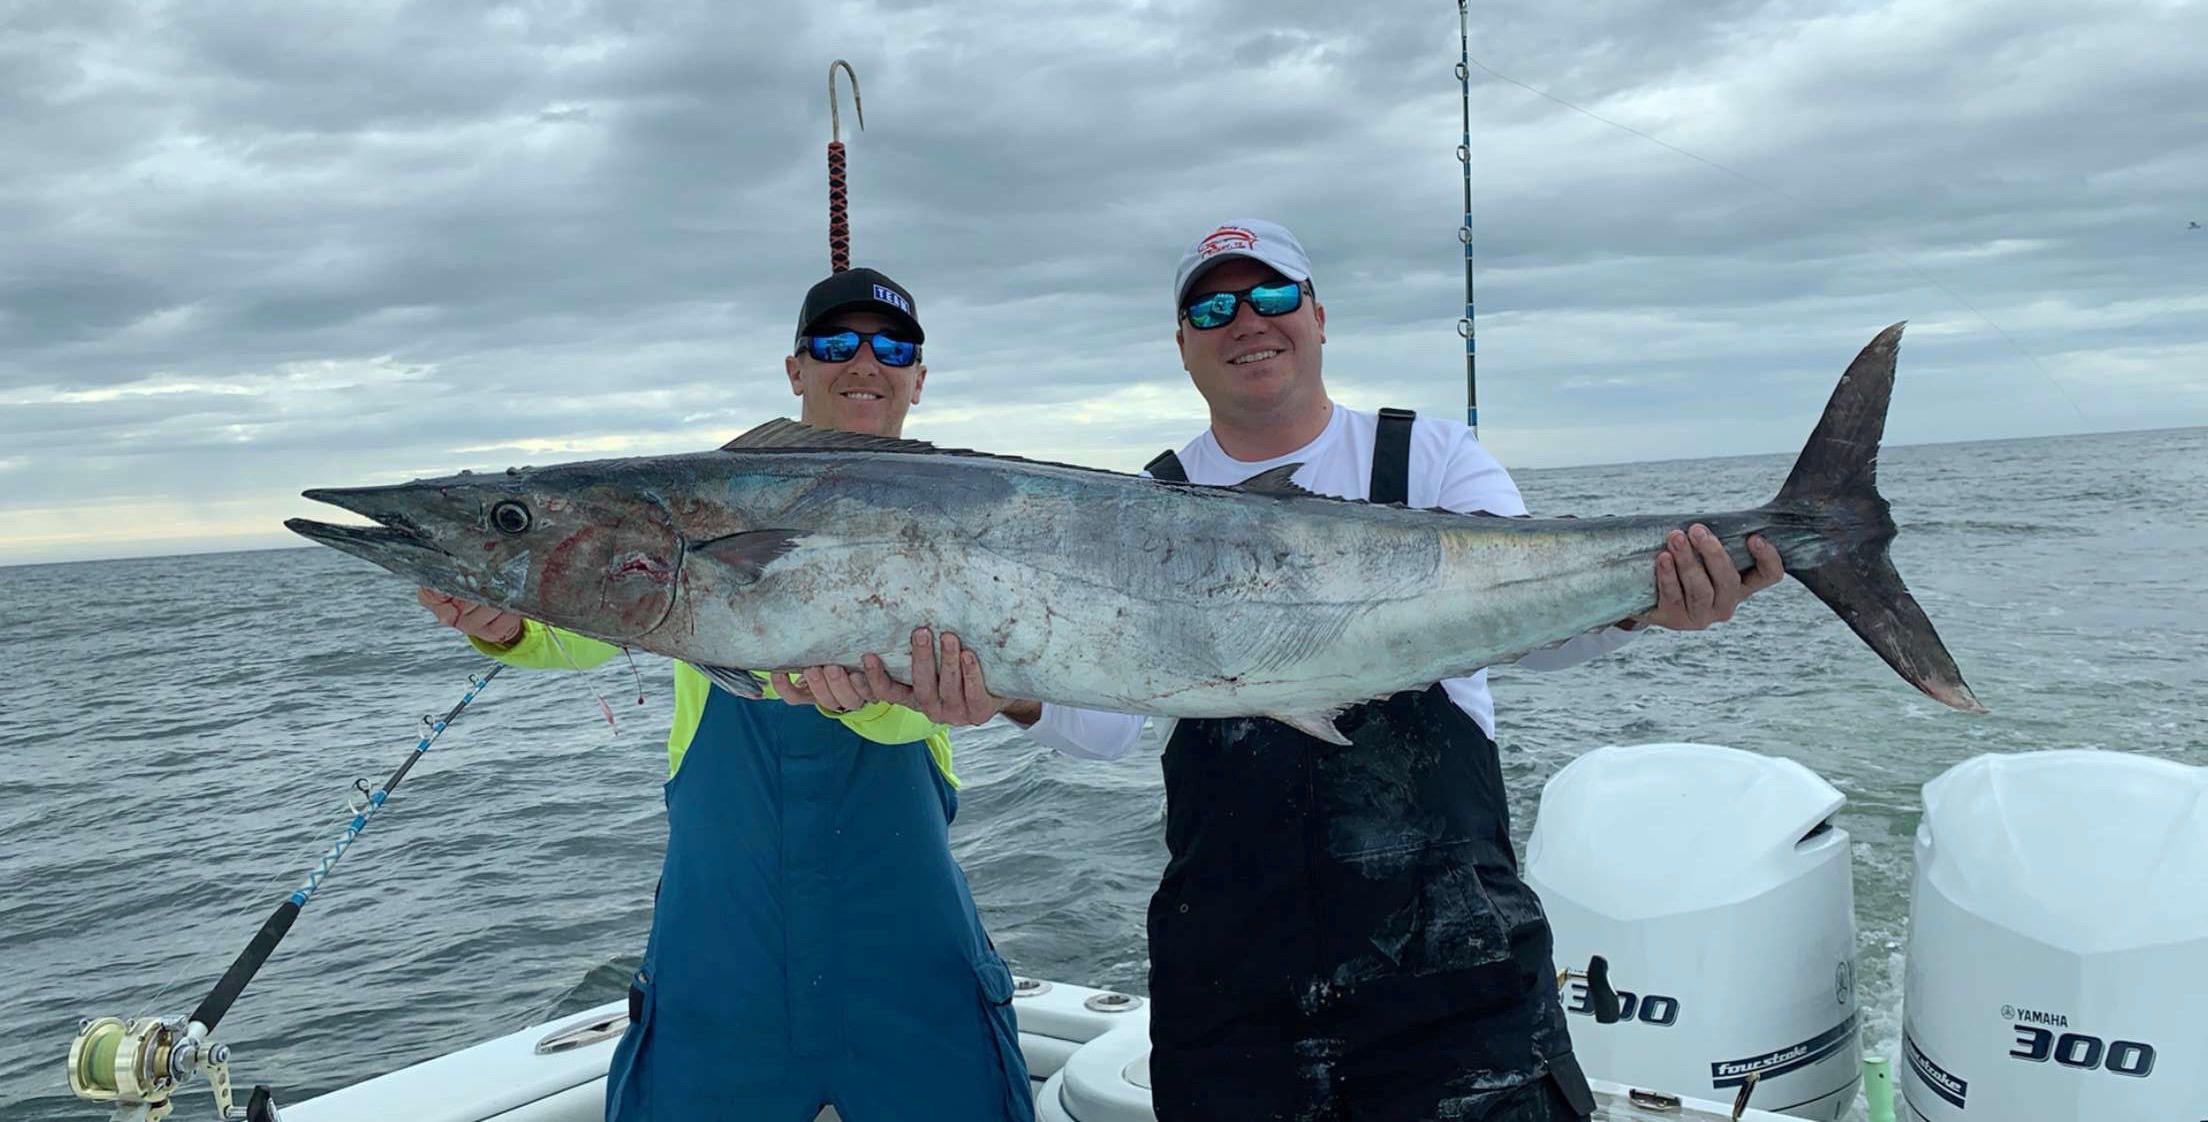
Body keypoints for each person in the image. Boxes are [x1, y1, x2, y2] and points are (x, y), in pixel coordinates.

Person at [843, 220, 1784, 1121]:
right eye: (1212, 311)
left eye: (1272, 295)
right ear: (1183, 345)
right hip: (1233, 985)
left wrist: (1651, 605)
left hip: (1454, 970)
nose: (1247, 321)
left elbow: (1544, 633)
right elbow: (1107, 726)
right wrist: (1003, 691)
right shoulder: (1137, 503)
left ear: (1317, 314)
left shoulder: (1428, 458)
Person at [416, 266, 1035, 1122]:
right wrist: (503, 622)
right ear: (794, 370)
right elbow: (584, 626)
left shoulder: (965, 517)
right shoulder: (700, 500)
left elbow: (913, 713)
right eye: (834, 343)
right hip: (722, 948)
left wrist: (867, 696)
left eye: (893, 346)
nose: (864, 361)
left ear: (919, 378)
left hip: (905, 940)